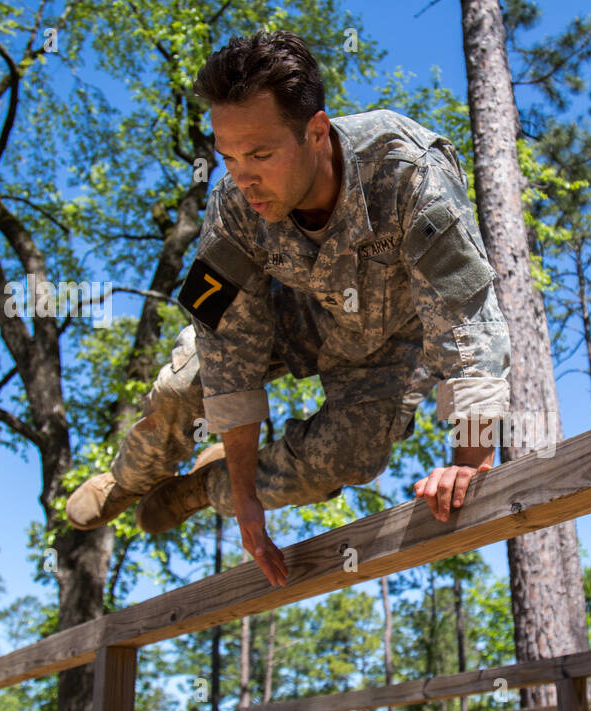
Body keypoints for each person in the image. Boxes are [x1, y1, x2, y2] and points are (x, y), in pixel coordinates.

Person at [66, 31, 511, 587]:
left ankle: (202, 488)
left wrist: (468, 464)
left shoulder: (408, 170)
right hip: (291, 317)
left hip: (390, 342)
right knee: (186, 388)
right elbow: (227, 352)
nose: (241, 177)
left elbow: (466, 321)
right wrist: (247, 494)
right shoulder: (232, 207)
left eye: (260, 154)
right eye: (227, 157)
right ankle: (129, 479)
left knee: (355, 454)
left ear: (317, 132)